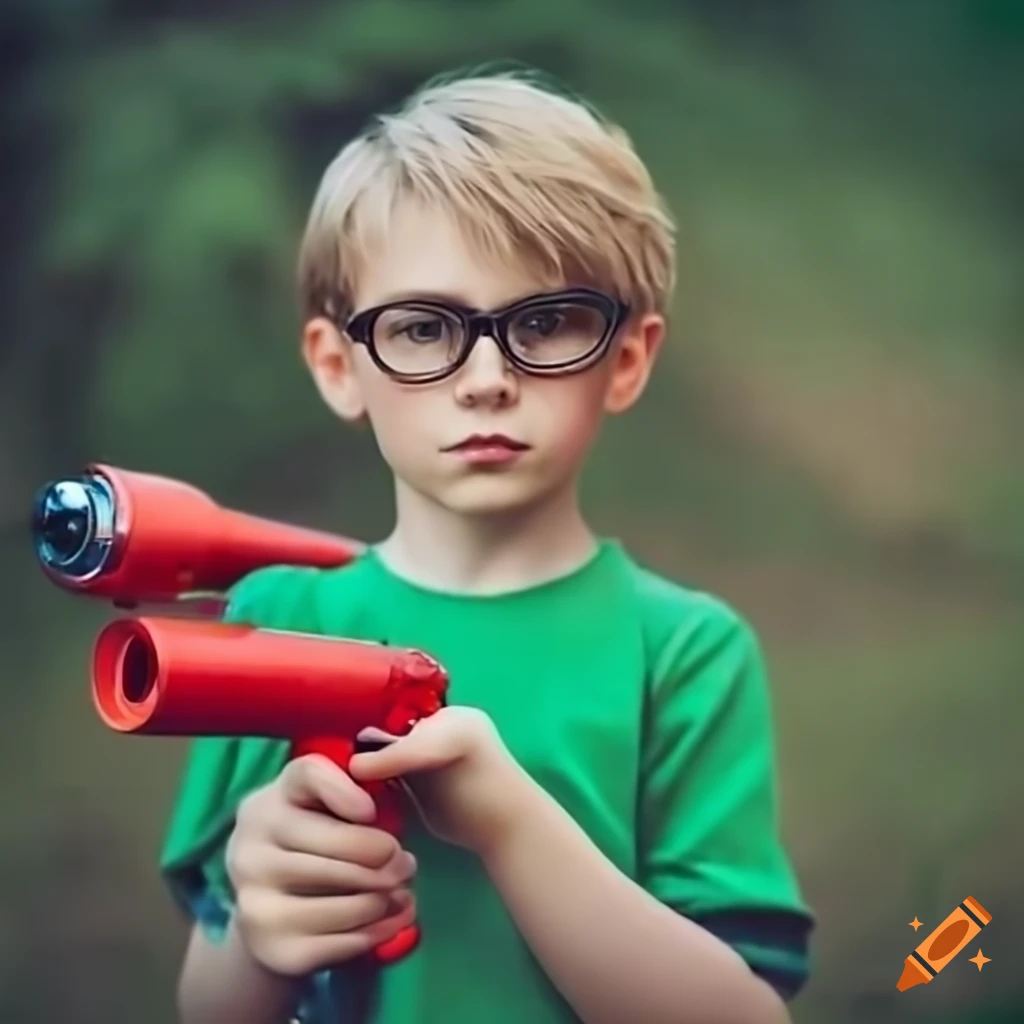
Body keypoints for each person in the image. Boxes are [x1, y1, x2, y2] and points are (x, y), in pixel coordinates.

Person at [164, 66, 814, 1024]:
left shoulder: (684, 651)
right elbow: (209, 1012)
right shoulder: (279, 625)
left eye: (545, 322)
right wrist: (262, 937)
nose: (485, 378)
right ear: (340, 366)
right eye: (424, 328)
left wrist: (508, 822)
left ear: (625, 360)